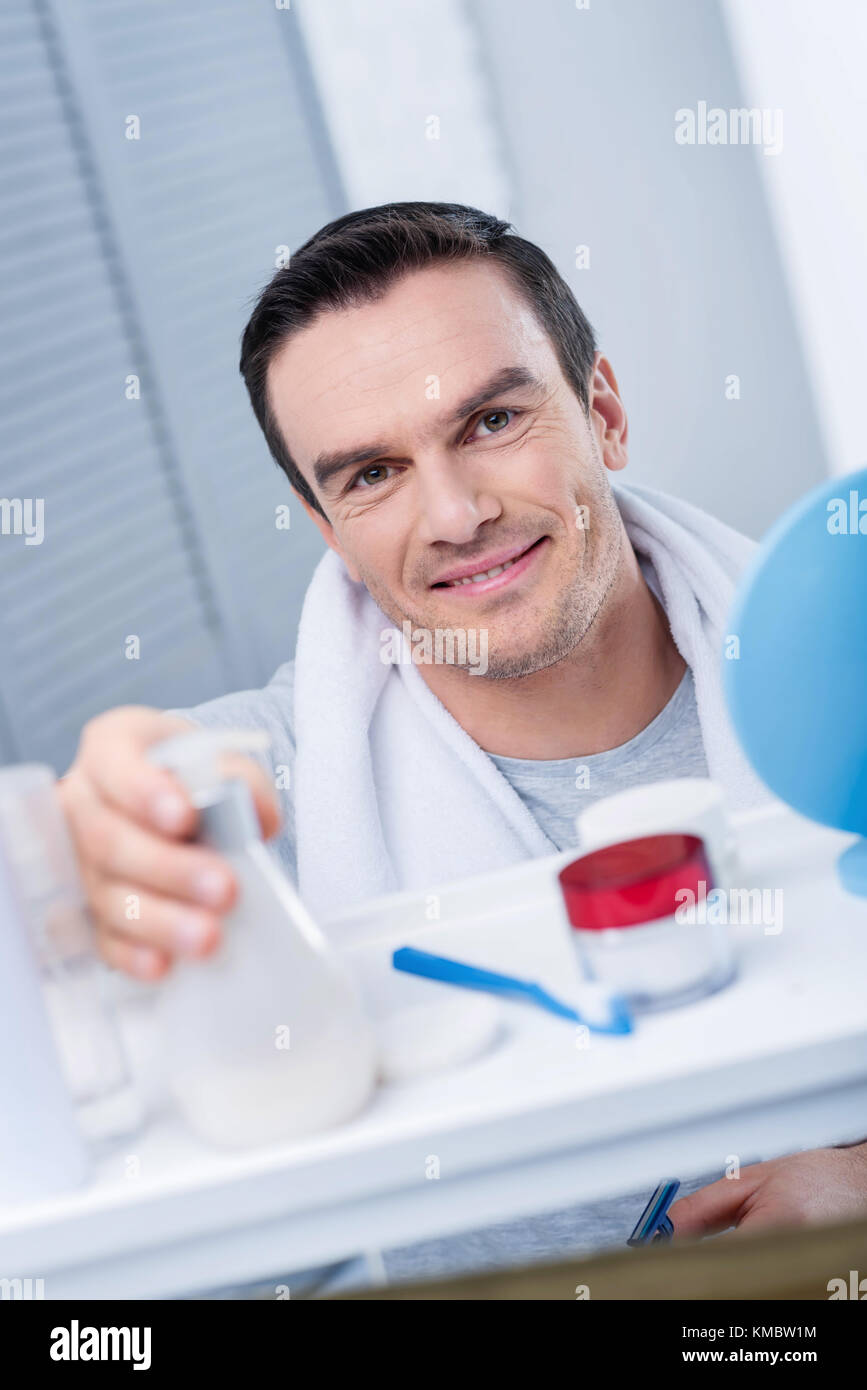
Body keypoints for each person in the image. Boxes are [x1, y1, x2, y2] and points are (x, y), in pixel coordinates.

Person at [58, 202, 867, 1279]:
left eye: (490, 423)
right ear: (328, 528)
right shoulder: (274, 804)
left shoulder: (837, 678)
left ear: (604, 412)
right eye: (372, 474)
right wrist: (117, 809)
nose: (453, 515)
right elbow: (155, 780)